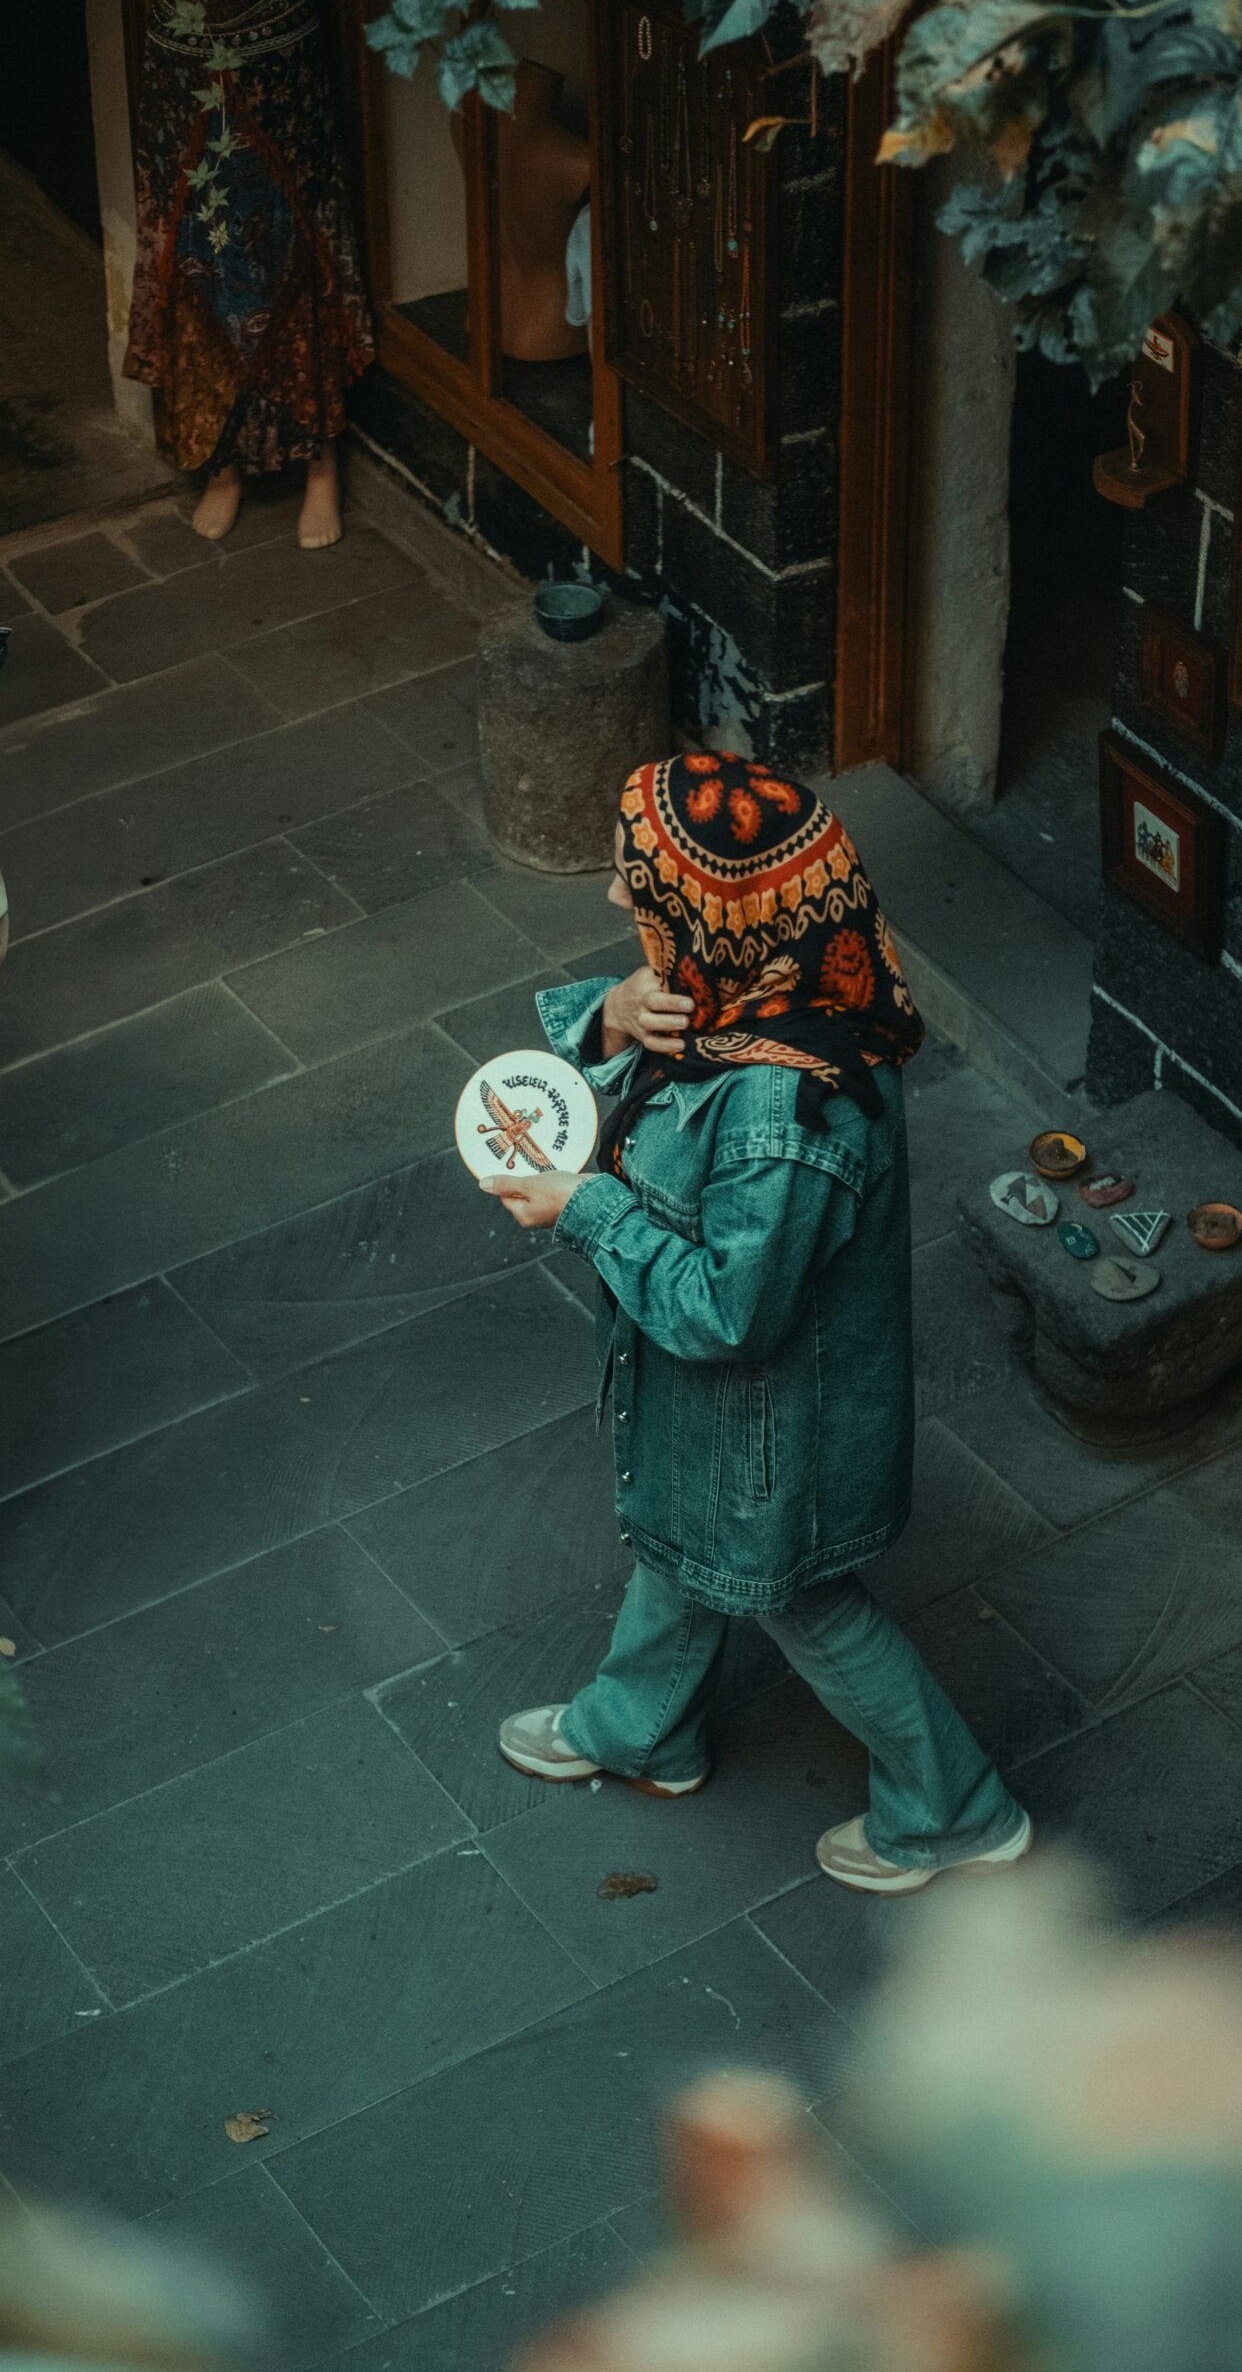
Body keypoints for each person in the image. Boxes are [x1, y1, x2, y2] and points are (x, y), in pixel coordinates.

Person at [477, 751, 1032, 1895]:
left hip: (769, 1431)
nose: (618, 899)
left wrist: (585, 1207)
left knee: (799, 1600)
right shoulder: (751, 1001)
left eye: (640, 881)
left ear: (713, 919)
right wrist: (614, 1018)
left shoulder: (784, 1108)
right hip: (723, 1427)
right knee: (685, 1556)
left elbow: (726, 1311)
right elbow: (652, 1077)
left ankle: (955, 1808)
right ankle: (641, 1732)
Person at [124, 0, 374, 547]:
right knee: (199, 263)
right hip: (180, 85)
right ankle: (222, 464)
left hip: (278, 88)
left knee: (290, 262)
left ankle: (323, 465)